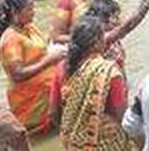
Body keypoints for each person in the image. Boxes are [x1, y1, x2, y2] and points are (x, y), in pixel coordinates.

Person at [0, 0, 66, 134]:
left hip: (47, 89)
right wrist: (49, 60)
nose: (34, 12)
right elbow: (18, 74)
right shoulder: (10, 39)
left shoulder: (29, 27)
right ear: (15, 12)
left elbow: (42, 47)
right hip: (31, 100)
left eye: (33, 8)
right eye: (29, 9)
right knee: (37, 136)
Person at [55, 17, 130, 151]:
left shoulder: (62, 68)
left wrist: (74, 132)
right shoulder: (108, 71)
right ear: (96, 43)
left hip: (73, 145)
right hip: (105, 144)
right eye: (103, 37)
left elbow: (53, 113)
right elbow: (122, 117)